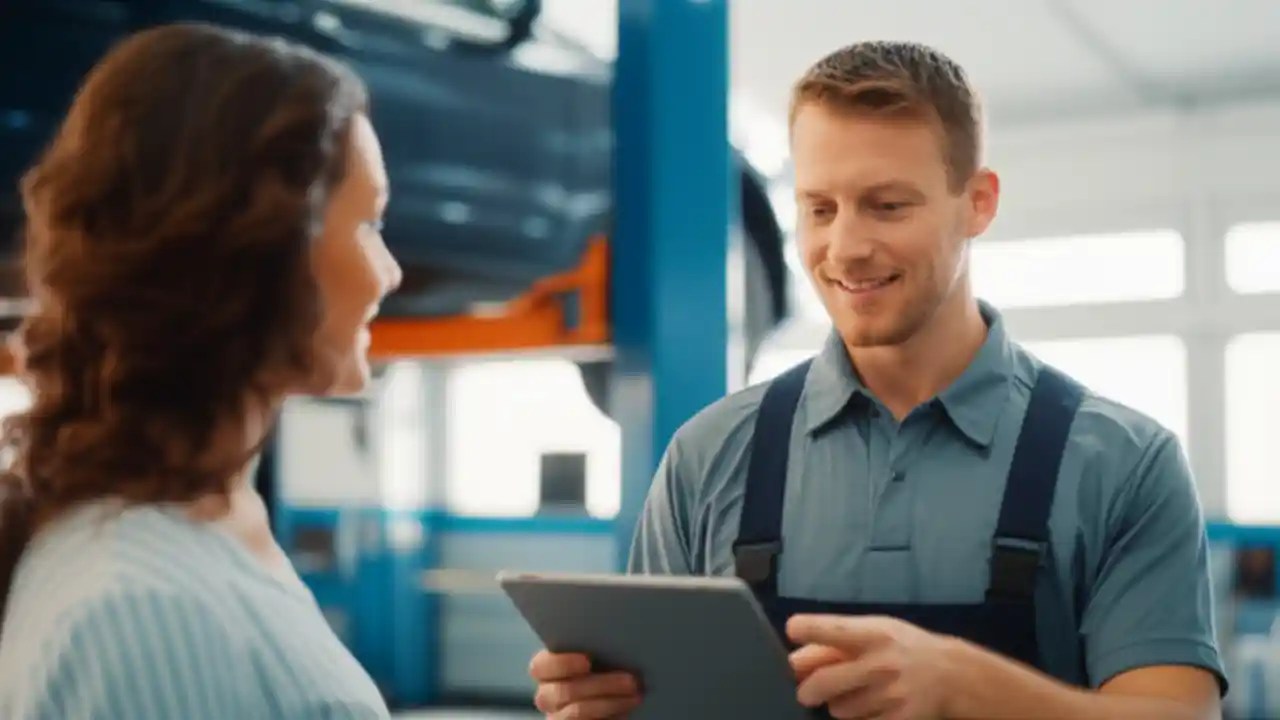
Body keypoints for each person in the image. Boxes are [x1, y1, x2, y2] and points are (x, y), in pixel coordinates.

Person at [529, 41, 1226, 720]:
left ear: (978, 202)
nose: (846, 248)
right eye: (820, 208)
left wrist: (961, 685)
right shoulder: (707, 455)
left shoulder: (1125, 464)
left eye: (888, 205)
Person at [0, 24, 402, 719]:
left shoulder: (211, 535)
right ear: (264, 246)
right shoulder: (142, 612)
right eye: (367, 225)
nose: (389, 273)